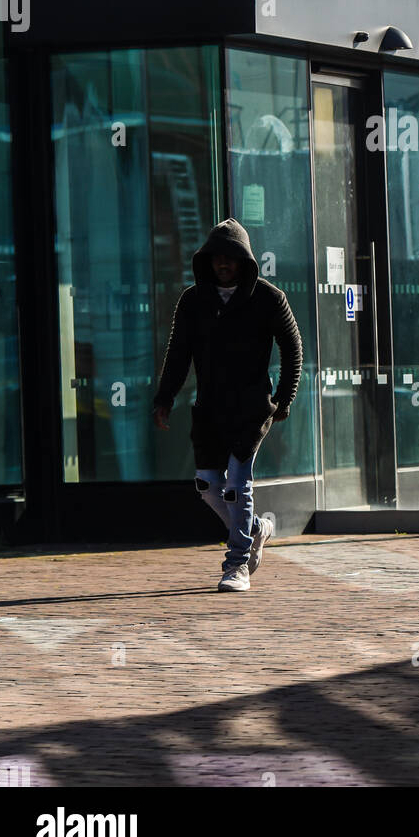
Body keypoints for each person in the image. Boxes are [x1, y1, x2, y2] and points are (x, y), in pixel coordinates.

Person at [152, 219, 303, 592]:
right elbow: (178, 354)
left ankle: (236, 564)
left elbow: (292, 347)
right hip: (209, 408)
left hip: (251, 408)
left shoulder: (268, 298)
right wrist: (164, 398)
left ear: (244, 261)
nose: (223, 264)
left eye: (231, 257)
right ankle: (256, 529)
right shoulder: (192, 301)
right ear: (207, 260)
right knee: (207, 485)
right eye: (217, 257)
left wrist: (284, 397)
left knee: (236, 484)